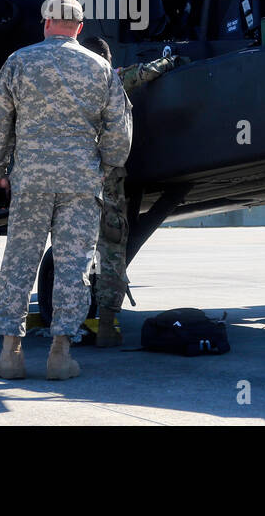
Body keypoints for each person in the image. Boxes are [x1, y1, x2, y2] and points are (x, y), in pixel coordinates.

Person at [0, 0, 132, 380]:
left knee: (19, 261)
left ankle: (10, 354)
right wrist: (105, 166)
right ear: (80, 28)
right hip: (81, 180)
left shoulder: (19, 61)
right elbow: (120, 128)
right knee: (74, 265)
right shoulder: (100, 68)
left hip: (30, 178)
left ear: (46, 22)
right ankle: (61, 354)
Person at [80, 37, 184, 347]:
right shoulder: (109, 79)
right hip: (107, 180)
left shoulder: (63, 87)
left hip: (69, 179)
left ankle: (67, 325)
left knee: (71, 251)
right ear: (105, 59)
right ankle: (108, 326)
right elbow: (143, 73)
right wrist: (169, 61)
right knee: (111, 252)